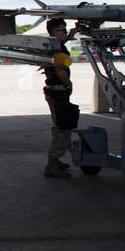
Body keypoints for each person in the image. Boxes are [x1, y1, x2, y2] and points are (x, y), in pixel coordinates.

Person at [43, 18, 77, 178]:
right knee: (62, 128)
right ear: (53, 33)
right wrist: (69, 84)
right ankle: (52, 163)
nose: (64, 33)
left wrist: (72, 34)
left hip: (56, 91)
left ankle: (55, 161)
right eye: (61, 30)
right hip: (59, 91)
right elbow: (59, 70)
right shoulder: (56, 49)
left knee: (61, 126)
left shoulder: (55, 44)